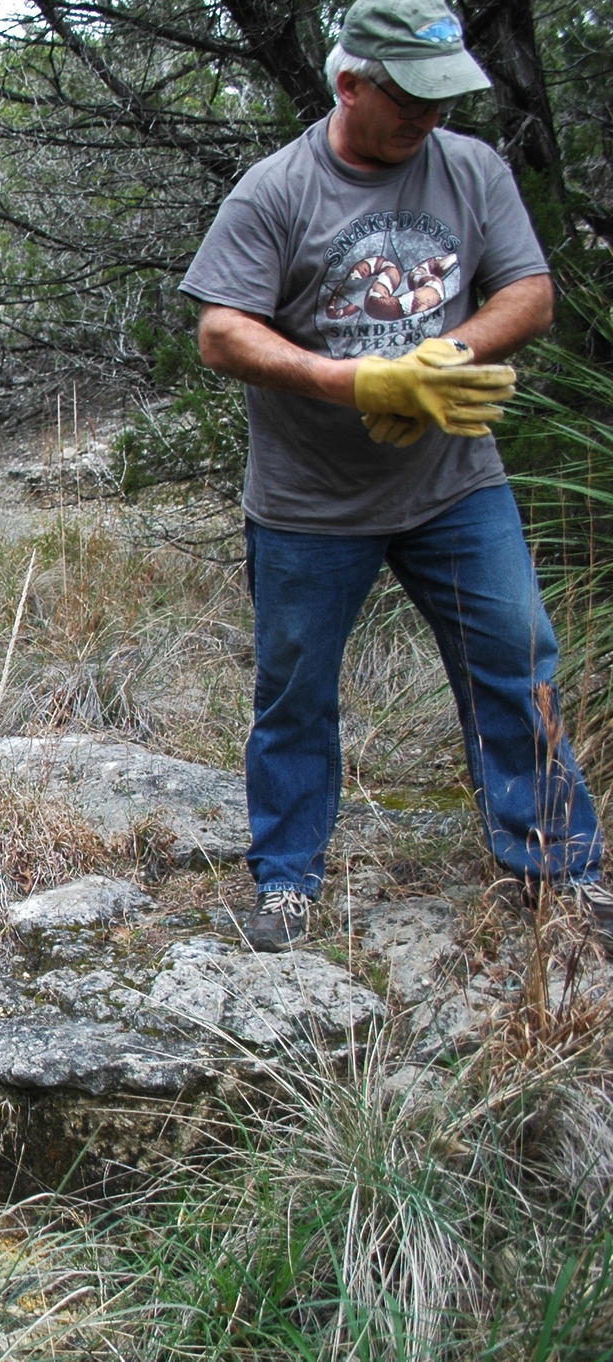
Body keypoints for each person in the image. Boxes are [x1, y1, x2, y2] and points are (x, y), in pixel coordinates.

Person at [179, 0, 606, 952]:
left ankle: (561, 871)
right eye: (411, 98)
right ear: (350, 84)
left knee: (516, 665)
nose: (430, 117)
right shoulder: (275, 191)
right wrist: (359, 380)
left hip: (455, 486)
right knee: (295, 693)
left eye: (442, 98)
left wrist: (444, 358)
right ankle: (287, 879)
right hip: (308, 504)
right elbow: (221, 332)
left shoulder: (471, 168)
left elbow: (530, 291)